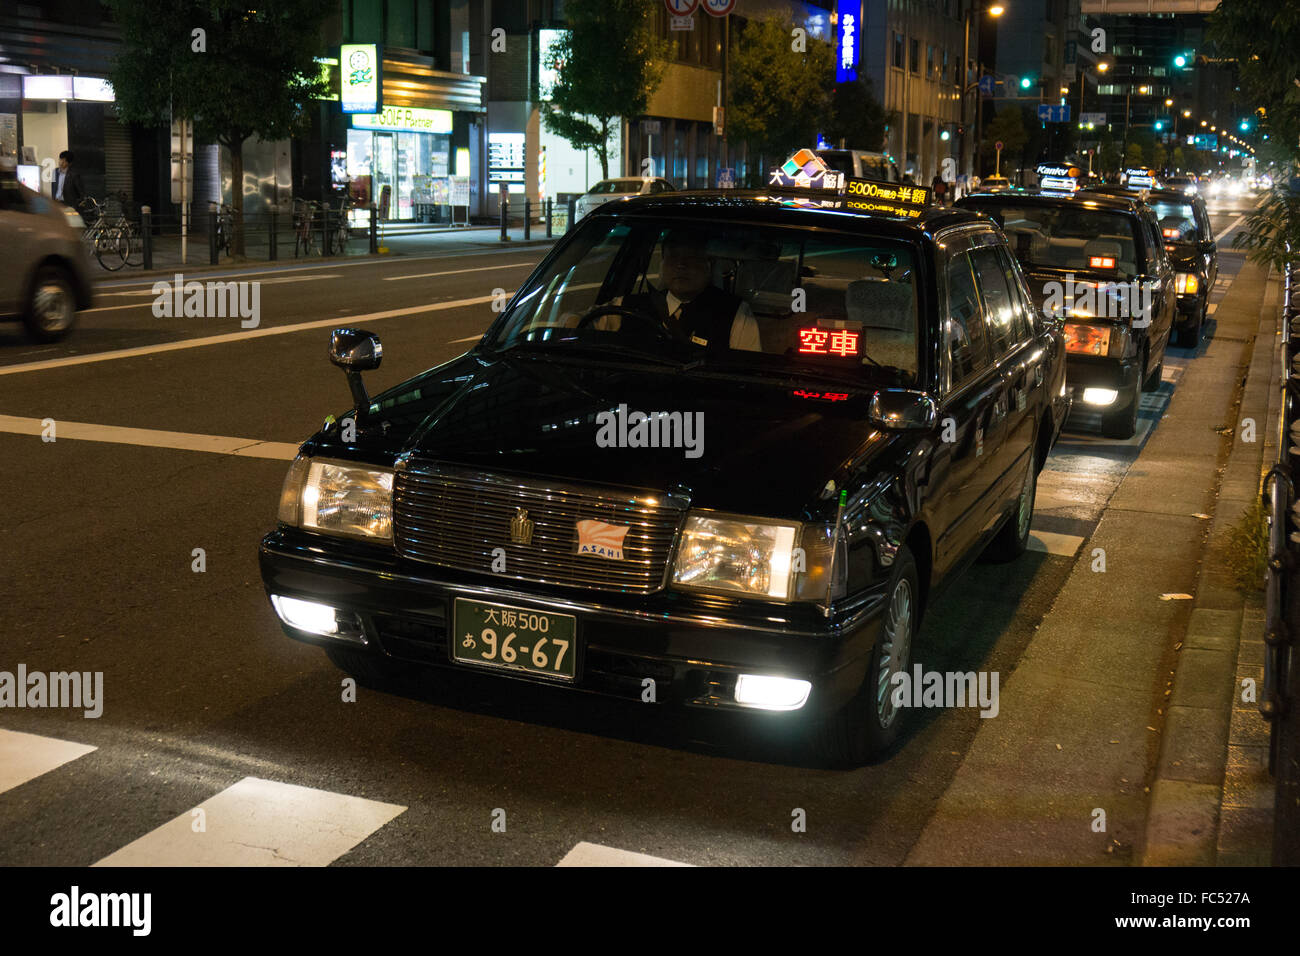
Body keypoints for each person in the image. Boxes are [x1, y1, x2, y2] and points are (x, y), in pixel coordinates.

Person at [611, 229, 761, 352]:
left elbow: (746, 373)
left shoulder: (735, 314)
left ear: (710, 265)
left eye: (692, 257)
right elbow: (589, 323)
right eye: (673, 256)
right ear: (662, 263)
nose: (681, 265)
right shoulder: (626, 307)